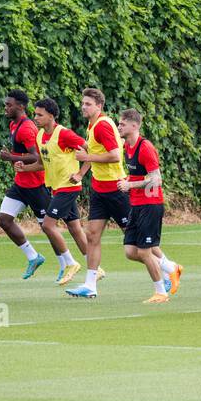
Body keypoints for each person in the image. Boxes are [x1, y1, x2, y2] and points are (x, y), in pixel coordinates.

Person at [117, 108, 181, 303]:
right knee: (130, 252)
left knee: (145, 251)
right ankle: (171, 268)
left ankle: (161, 292)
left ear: (134, 125)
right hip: (136, 204)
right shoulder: (126, 147)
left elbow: (157, 179)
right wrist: (128, 181)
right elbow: (139, 175)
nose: (119, 126)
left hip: (150, 205)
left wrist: (131, 184)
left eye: (122, 124)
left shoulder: (145, 148)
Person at [28, 98, 93, 291]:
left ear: (51, 115)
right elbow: (41, 164)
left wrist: (81, 173)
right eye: (35, 114)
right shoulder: (40, 136)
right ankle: (95, 269)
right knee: (74, 229)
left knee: (48, 225)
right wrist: (24, 168)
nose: (36, 118)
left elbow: (90, 151)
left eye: (39, 114)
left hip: (69, 187)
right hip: (56, 188)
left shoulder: (64, 134)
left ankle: (70, 263)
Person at [69, 88, 126, 298]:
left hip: (116, 189)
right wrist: (81, 173)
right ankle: (90, 285)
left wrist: (87, 157)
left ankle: (167, 268)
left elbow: (114, 156)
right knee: (92, 235)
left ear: (99, 106)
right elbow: (93, 155)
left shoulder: (102, 126)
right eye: (83, 103)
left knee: (134, 239)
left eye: (88, 104)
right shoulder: (92, 124)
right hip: (99, 189)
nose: (83, 107)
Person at [0, 90, 50, 279]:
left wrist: (10, 157)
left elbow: (36, 156)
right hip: (21, 184)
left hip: (36, 184)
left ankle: (68, 263)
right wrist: (13, 158)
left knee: (48, 227)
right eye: (5, 104)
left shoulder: (26, 128)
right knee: (4, 219)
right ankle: (33, 257)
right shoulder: (13, 124)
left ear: (21, 106)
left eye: (9, 105)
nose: (6, 108)